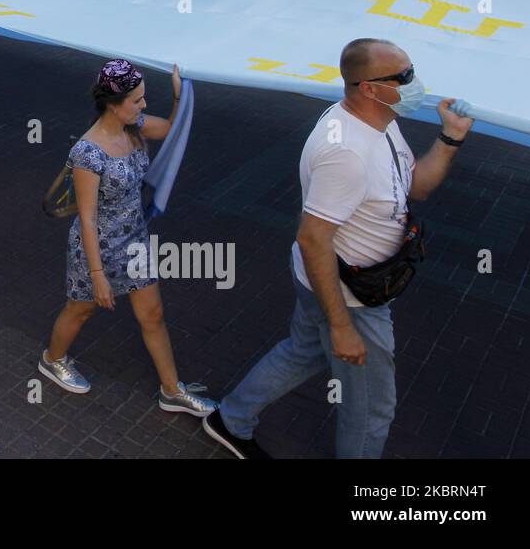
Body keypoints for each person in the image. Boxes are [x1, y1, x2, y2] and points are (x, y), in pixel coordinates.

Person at [203, 38, 473, 459]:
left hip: (330, 287)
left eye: (411, 71)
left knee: (304, 350)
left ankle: (231, 419)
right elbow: (312, 238)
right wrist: (342, 326)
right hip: (351, 300)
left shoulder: (381, 122)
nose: (414, 83)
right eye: (403, 77)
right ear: (368, 87)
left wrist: (450, 139)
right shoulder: (346, 151)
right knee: (370, 410)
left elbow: (415, 185)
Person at [38, 61, 217, 414]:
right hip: (97, 249)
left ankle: (171, 390)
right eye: (137, 100)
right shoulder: (88, 152)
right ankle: (53, 358)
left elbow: (168, 129)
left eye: (144, 98)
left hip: (134, 242)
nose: (144, 106)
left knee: (152, 314)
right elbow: (87, 220)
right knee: (81, 310)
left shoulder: (134, 126)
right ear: (112, 103)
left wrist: (180, 95)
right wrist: (98, 276)